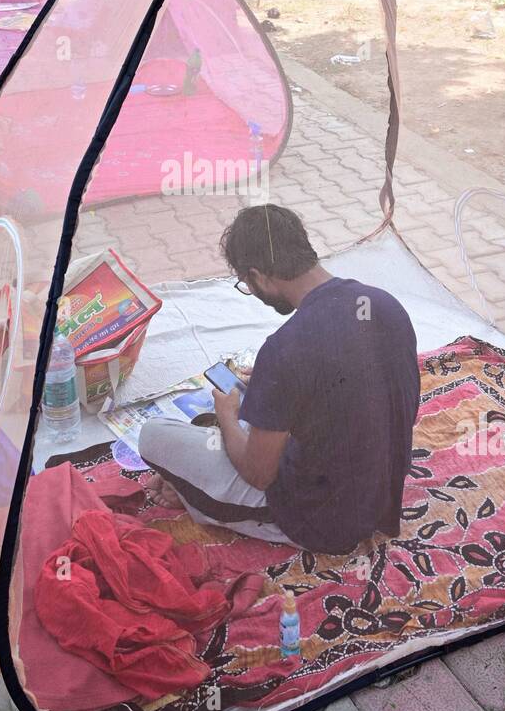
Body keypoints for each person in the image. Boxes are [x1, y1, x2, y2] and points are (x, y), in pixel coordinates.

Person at [139, 205, 421, 554]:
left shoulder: (285, 348)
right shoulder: (384, 304)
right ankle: (190, 487)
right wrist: (280, 389)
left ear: (259, 275)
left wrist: (227, 416)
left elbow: (259, 474)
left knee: (153, 436)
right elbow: (358, 383)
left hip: (322, 521)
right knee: (242, 422)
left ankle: (198, 498)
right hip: (381, 495)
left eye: (247, 284)